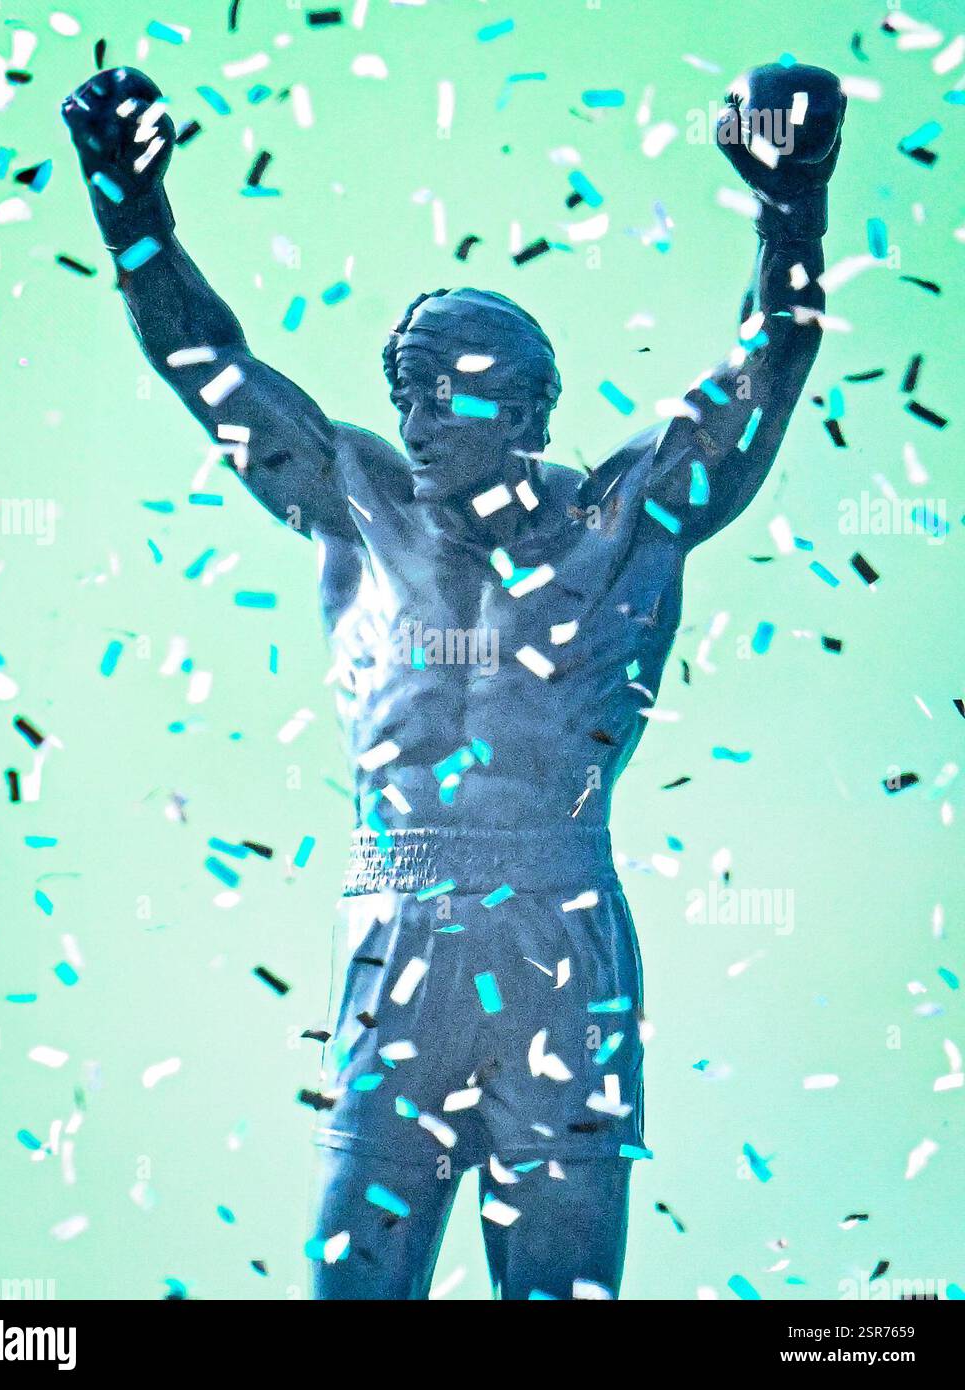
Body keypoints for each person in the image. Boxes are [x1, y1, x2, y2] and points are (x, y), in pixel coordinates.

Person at [63, 61, 845, 1300]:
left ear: (527, 405)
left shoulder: (621, 520)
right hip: (395, 925)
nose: (418, 417)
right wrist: (134, 215)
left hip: (556, 927)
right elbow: (206, 364)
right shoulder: (358, 504)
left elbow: (769, 369)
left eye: (447, 389)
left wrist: (789, 203)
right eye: (404, 391)